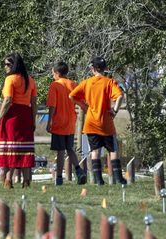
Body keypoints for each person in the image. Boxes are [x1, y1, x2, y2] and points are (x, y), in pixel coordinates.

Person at [70, 57, 127, 185]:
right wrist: (115, 110)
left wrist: (84, 106)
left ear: (92, 68)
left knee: (95, 151)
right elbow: (119, 96)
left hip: (91, 122)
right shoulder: (109, 82)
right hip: (106, 122)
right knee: (113, 150)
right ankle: (118, 178)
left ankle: (98, 180)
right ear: (105, 68)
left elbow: (71, 96)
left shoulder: (86, 82)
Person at [0, 53, 37, 188]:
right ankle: (26, 181)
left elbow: (7, 100)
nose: (5, 67)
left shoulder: (10, 79)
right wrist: (33, 120)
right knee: (24, 148)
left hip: (12, 116)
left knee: (11, 147)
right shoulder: (30, 80)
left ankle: (8, 179)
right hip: (26, 115)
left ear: (13, 65)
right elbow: (34, 102)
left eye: (7, 64)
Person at [46, 60, 85, 185]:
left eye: (53, 73)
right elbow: (80, 100)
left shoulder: (55, 85)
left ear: (57, 73)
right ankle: (79, 171)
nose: (53, 75)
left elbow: (52, 105)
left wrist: (49, 121)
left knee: (61, 150)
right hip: (70, 121)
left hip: (59, 121)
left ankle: (58, 178)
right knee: (70, 148)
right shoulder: (73, 84)